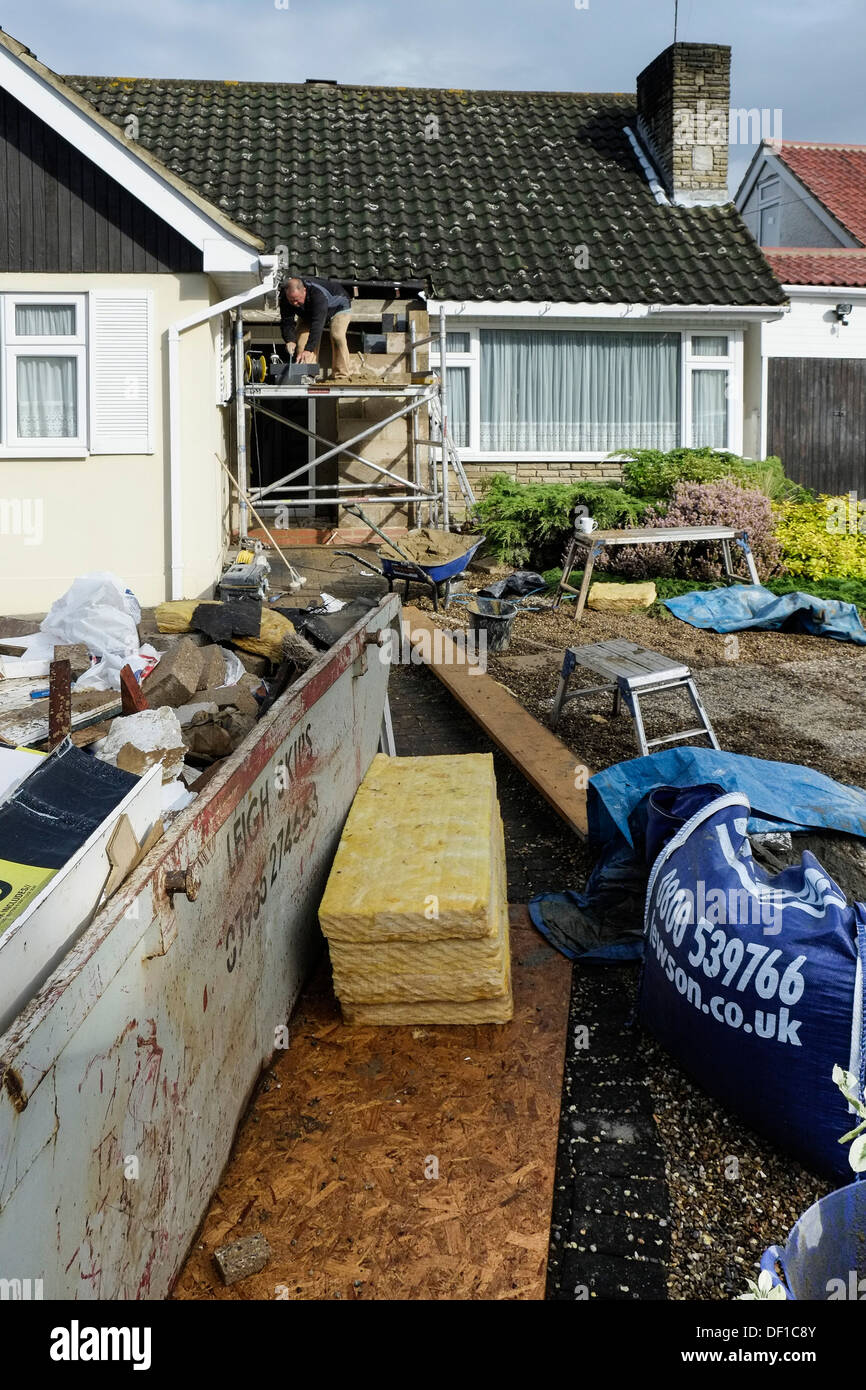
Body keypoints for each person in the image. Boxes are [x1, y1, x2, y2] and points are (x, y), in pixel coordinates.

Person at [278, 274, 353, 376]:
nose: (295, 303)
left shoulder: (318, 295)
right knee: (301, 340)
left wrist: (308, 350)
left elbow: (317, 325)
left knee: (337, 335)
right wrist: (290, 340)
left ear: (304, 290)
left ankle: (342, 374)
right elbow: (286, 321)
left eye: (297, 299)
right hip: (308, 313)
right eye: (291, 301)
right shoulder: (285, 298)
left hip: (338, 308)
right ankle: (308, 374)